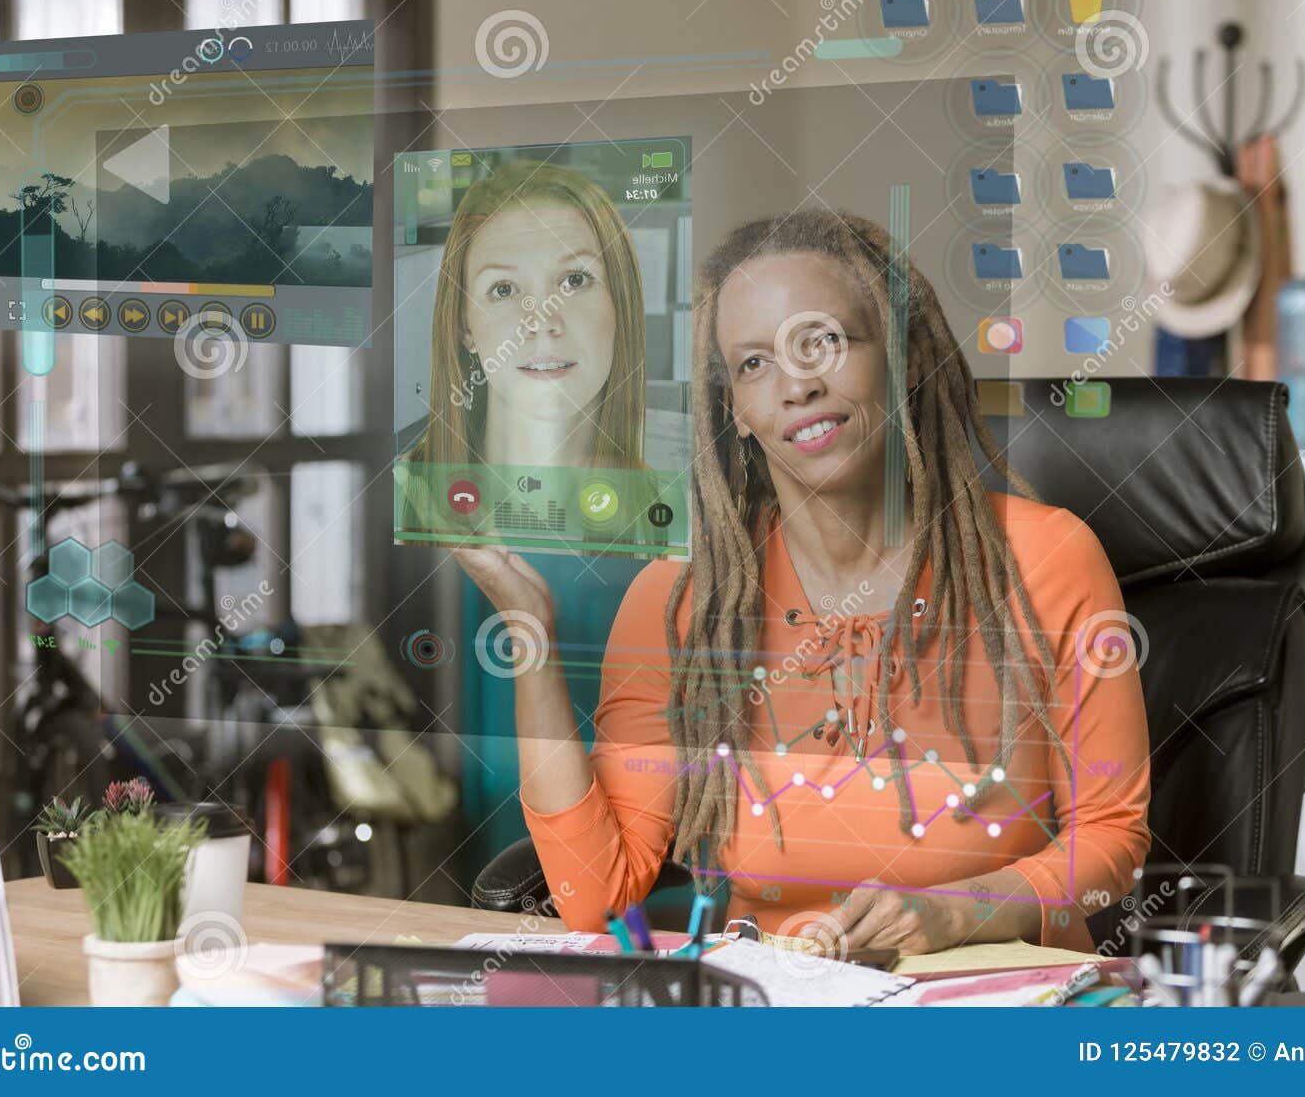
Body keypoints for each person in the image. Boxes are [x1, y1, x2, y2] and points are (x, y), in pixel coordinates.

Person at [456, 210, 1150, 954]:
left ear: (902, 357)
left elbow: (1112, 836)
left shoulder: (1046, 557)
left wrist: (962, 911)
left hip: (992, 992)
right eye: (755, 363)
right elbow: (596, 897)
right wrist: (527, 633)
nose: (797, 385)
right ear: (735, 409)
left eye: (824, 341)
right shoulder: (682, 599)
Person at [403, 159, 647, 472]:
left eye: (574, 280)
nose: (541, 322)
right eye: (504, 289)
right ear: (465, 326)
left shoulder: (678, 497)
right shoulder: (389, 493)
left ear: (620, 305)